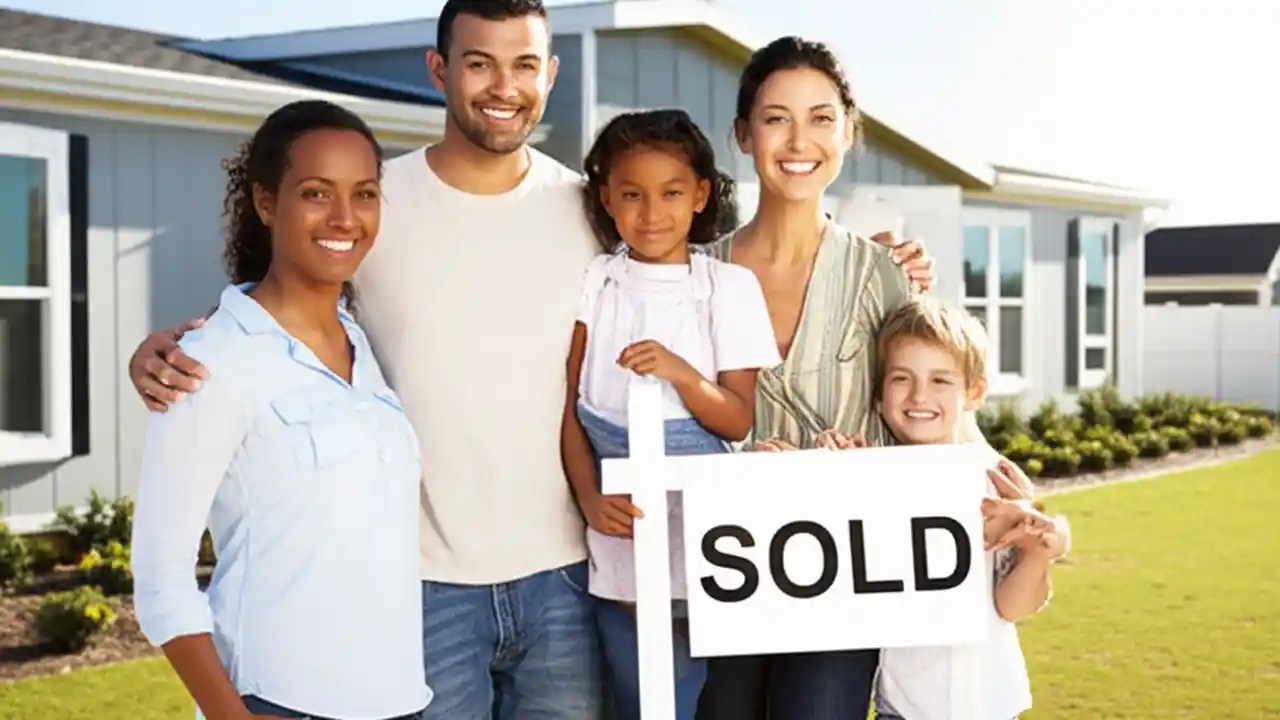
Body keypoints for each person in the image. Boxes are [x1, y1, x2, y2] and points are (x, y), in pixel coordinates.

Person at [125, 5, 935, 716]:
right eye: (478, 63)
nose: (502, 86)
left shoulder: (588, 213)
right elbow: (286, 296)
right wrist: (169, 346)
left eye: (522, 65)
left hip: (567, 581)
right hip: (424, 583)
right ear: (440, 69)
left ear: (549, 75)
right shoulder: (376, 199)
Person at [130, 99, 432, 720]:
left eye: (365, 194)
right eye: (317, 193)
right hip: (279, 702)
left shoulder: (361, 341)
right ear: (267, 203)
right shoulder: (211, 362)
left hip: (397, 700)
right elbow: (161, 582)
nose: (345, 217)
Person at [694, 36, 946, 720]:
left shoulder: (883, 275)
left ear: (848, 132)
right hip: (724, 574)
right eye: (776, 118)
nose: (798, 139)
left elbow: (923, 410)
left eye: (821, 117)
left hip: (842, 582)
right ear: (743, 134)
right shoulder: (693, 277)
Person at [562, 109, 781, 720]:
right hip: (623, 534)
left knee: (712, 699)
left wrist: (682, 373)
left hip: (712, 541)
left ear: (701, 195)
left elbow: (737, 421)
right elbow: (571, 408)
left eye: (671, 193)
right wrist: (587, 496)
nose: (651, 212)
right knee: (642, 696)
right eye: (631, 194)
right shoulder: (597, 281)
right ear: (606, 197)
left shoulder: (727, 289)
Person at [868, 296, 1068, 720]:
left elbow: (1012, 607)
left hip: (993, 702)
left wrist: (1037, 551)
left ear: (973, 393)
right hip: (906, 707)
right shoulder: (871, 481)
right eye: (901, 378)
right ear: (880, 393)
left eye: (941, 381)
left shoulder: (996, 483)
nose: (920, 395)